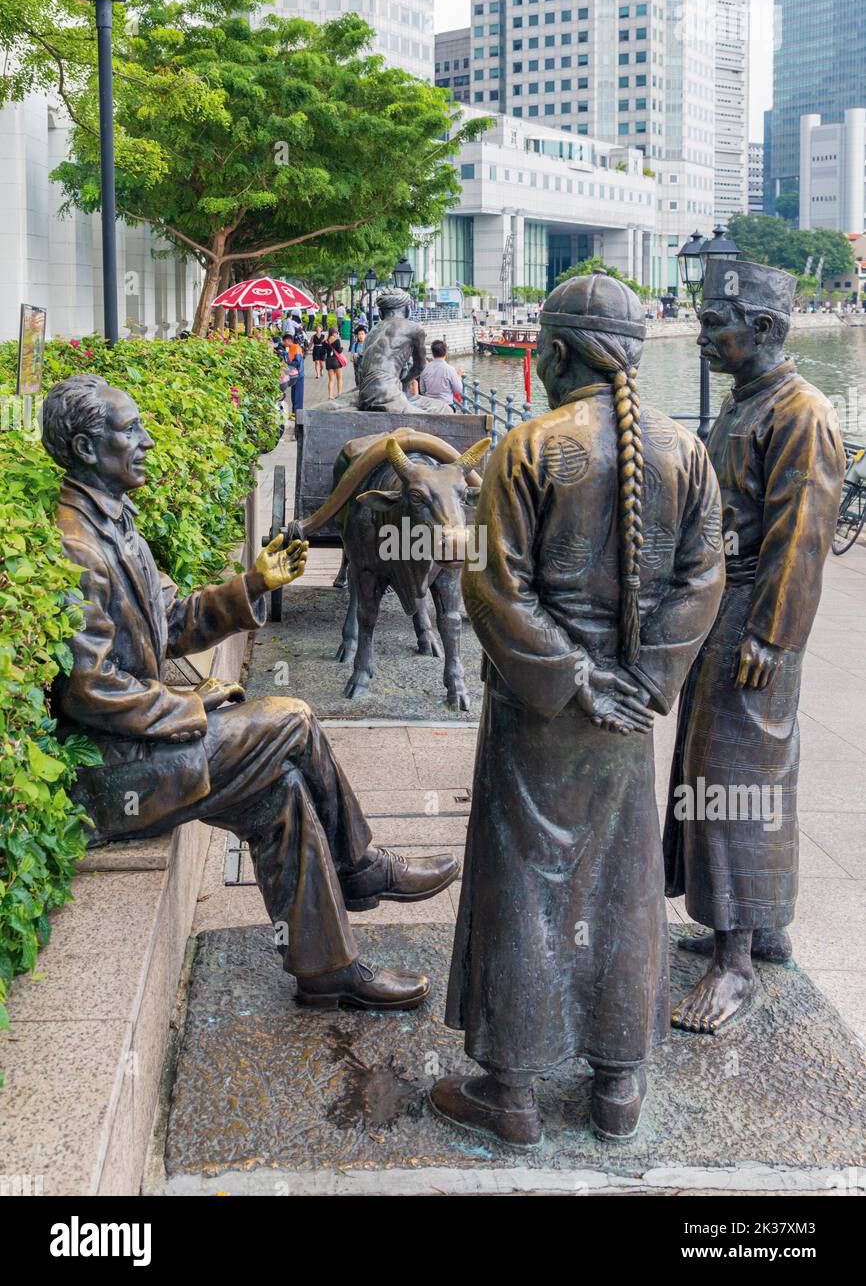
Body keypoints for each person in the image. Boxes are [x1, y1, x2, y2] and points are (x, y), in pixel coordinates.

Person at [42, 374, 460, 1011]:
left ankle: (325, 969)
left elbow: (173, 621)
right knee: (290, 717)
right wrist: (191, 706)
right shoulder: (78, 546)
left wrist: (253, 585)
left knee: (282, 790)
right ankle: (361, 868)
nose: (148, 441)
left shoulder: (115, 525)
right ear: (85, 448)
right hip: (113, 778)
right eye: (131, 431)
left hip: (141, 751)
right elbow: (89, 690)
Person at [430, 271, 724, 1146]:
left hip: (540, 711)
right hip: (631, 715)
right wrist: (644, 681)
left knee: (526, 878)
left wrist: (571, 677)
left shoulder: (529, 448)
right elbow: (703, 578)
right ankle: (617, 1087)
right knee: (624, 883)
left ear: (553, 354)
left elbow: (491, 585)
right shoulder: (687, 451)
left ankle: (511, 1094)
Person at [663, 260, 846, 1034]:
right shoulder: (748, 403)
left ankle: (733, 963)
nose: (704, 334)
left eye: (715, 324)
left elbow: (802, 537)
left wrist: (772, 635)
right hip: (721, 608)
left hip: (752, 619)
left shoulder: (801, 411)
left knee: (738, 773)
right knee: (717, 765)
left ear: (764, 329)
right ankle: (757, 924)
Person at [418, 339, 462, 406]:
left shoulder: (425, 369)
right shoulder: (450, 370)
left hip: (430, 406)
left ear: (432, 353)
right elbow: (458, 390)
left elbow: (422, 390)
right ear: (446, 352)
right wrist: (458, 376)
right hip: (446, 406)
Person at [325, 325, 345, 400]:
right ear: (333, 333)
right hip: (336, 361)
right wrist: (342, 348)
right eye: (336, 332)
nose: (337, 334)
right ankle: (339, 394)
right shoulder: (337, 340)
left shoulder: (325, 341)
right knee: (339, 379)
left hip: (328, 361)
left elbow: (324, 351)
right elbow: (339, 351)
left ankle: (330, 396)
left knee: (331, 380)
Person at [350, 325, 367, 389]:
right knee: (358, 385)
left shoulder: (368, 344)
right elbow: (351, 358)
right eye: (359, 334)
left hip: (366, 369)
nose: (360, 336)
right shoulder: (355, 345)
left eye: (362, 334)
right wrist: (355, 356)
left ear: (365, 335)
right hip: (357, 369)